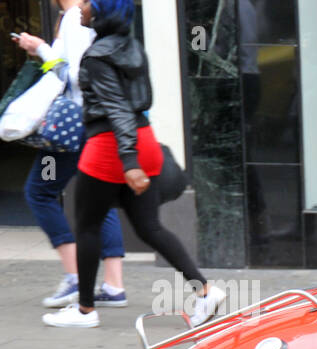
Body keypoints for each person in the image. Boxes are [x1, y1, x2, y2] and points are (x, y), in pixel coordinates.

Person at [43, 0, 224, 329]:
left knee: (86, 226)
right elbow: (136, 104)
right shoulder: (132, 46)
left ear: (101, 10)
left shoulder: (98, 56)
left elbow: (117, 109)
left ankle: (85, 310)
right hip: (145, 141)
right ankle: (206, 291)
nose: (80, 7)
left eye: (87, 2)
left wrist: (128, 162)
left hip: (111, 148)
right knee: (149, 227)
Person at [14, 0, 127, 313]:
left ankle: (75, 276)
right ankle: (114, 285)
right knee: (98, 196)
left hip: (69, 125)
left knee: (40, 192)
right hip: (92, 122)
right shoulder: (87, 14)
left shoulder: (75, 17)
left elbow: (77, 76)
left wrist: (41, 50)